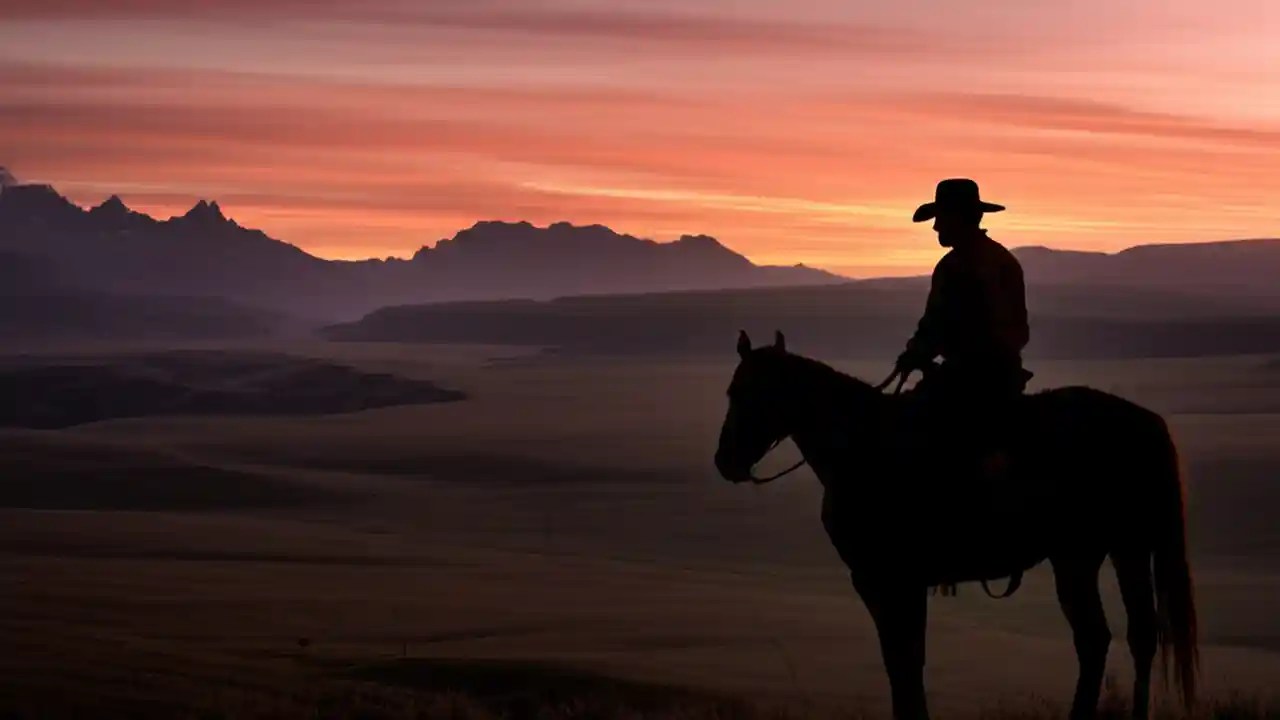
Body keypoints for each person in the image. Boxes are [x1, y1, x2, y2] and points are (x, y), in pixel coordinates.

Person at [894, 178, 1032, 477]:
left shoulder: (957, 266)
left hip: (972, 379)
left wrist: (918, 352)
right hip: (1000, 375)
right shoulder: (1001, 260)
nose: (936, 227)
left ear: (960, 217)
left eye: (941, 218)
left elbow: (937, 325)